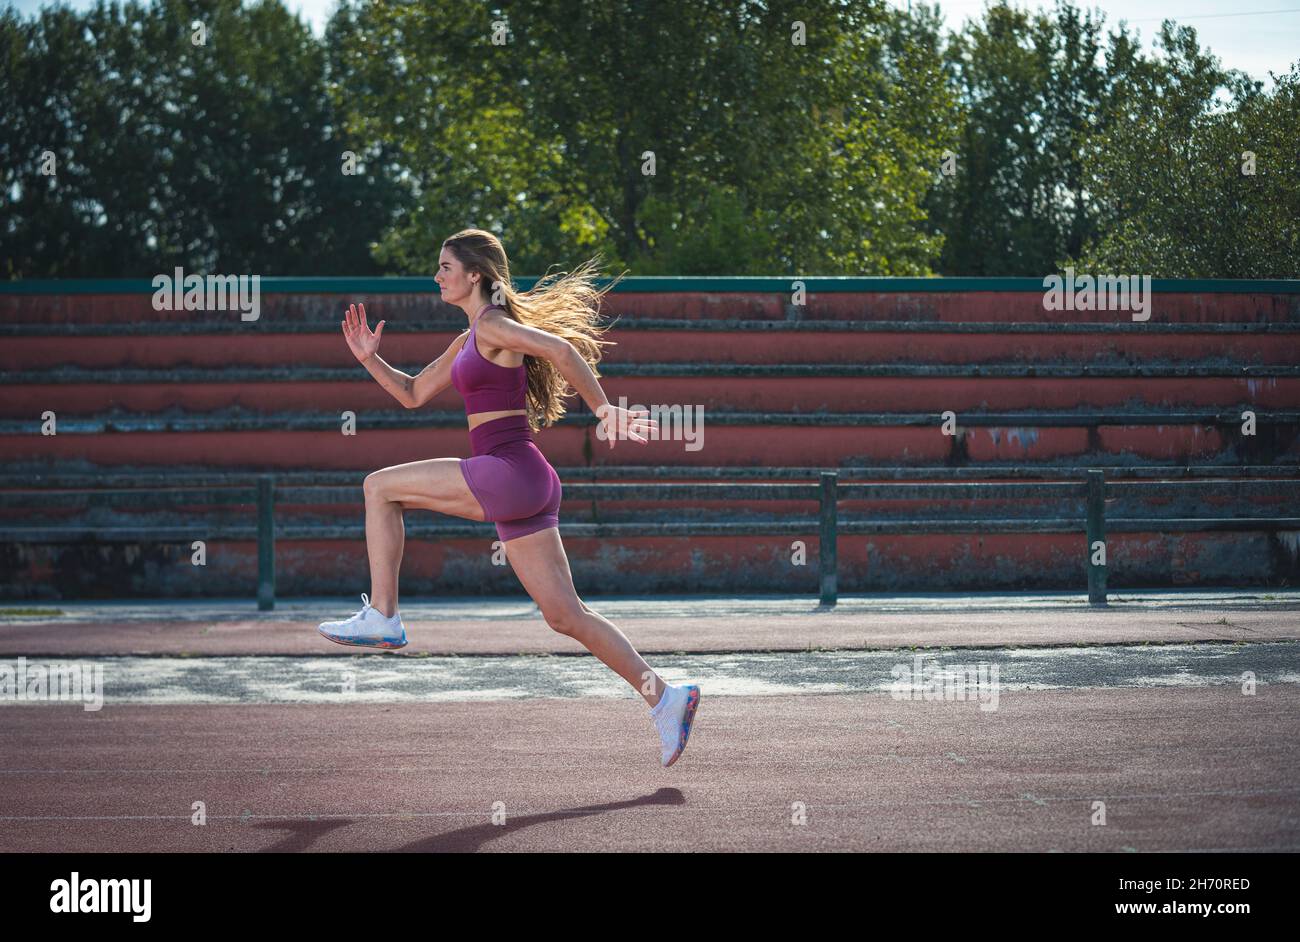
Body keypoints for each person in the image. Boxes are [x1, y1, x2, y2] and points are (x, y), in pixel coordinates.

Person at [316, 228, 701, 766]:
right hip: (527, 481)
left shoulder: (494, 326)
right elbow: (412, 394)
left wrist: (602, 408)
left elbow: (561, 349)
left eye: (446, 266)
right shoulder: (469, 338)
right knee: (567, 616)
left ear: (475, 275)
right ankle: (665, 697)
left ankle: (384, 614)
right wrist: (368, 360)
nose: (438, 275)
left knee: (378, 487)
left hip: (508, 471)